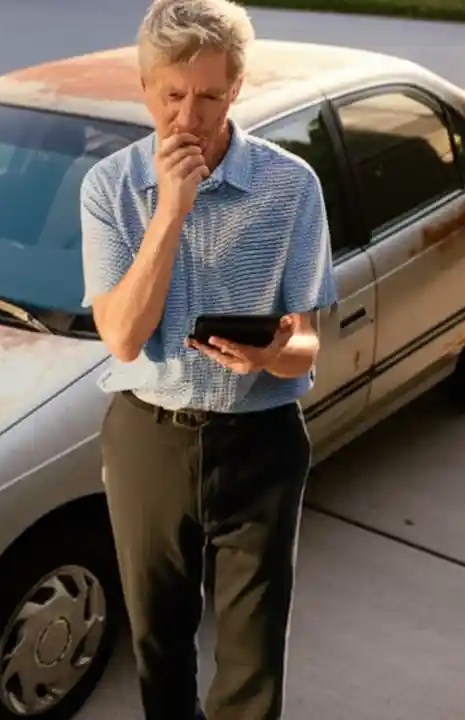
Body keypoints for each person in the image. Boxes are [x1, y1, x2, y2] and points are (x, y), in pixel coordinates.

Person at [78, 0, 339, 718]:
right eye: (172, 96)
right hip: (149, 440)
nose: (188, 118)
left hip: (261, 442)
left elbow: (308, 344)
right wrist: (170, 210)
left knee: (254, 660)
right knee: (159, 648)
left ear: (237, 89)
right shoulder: (109, 189)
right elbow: (124, 337)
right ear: (144, 87)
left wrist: (272, 354)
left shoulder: (292, 186)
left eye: (210, 97)